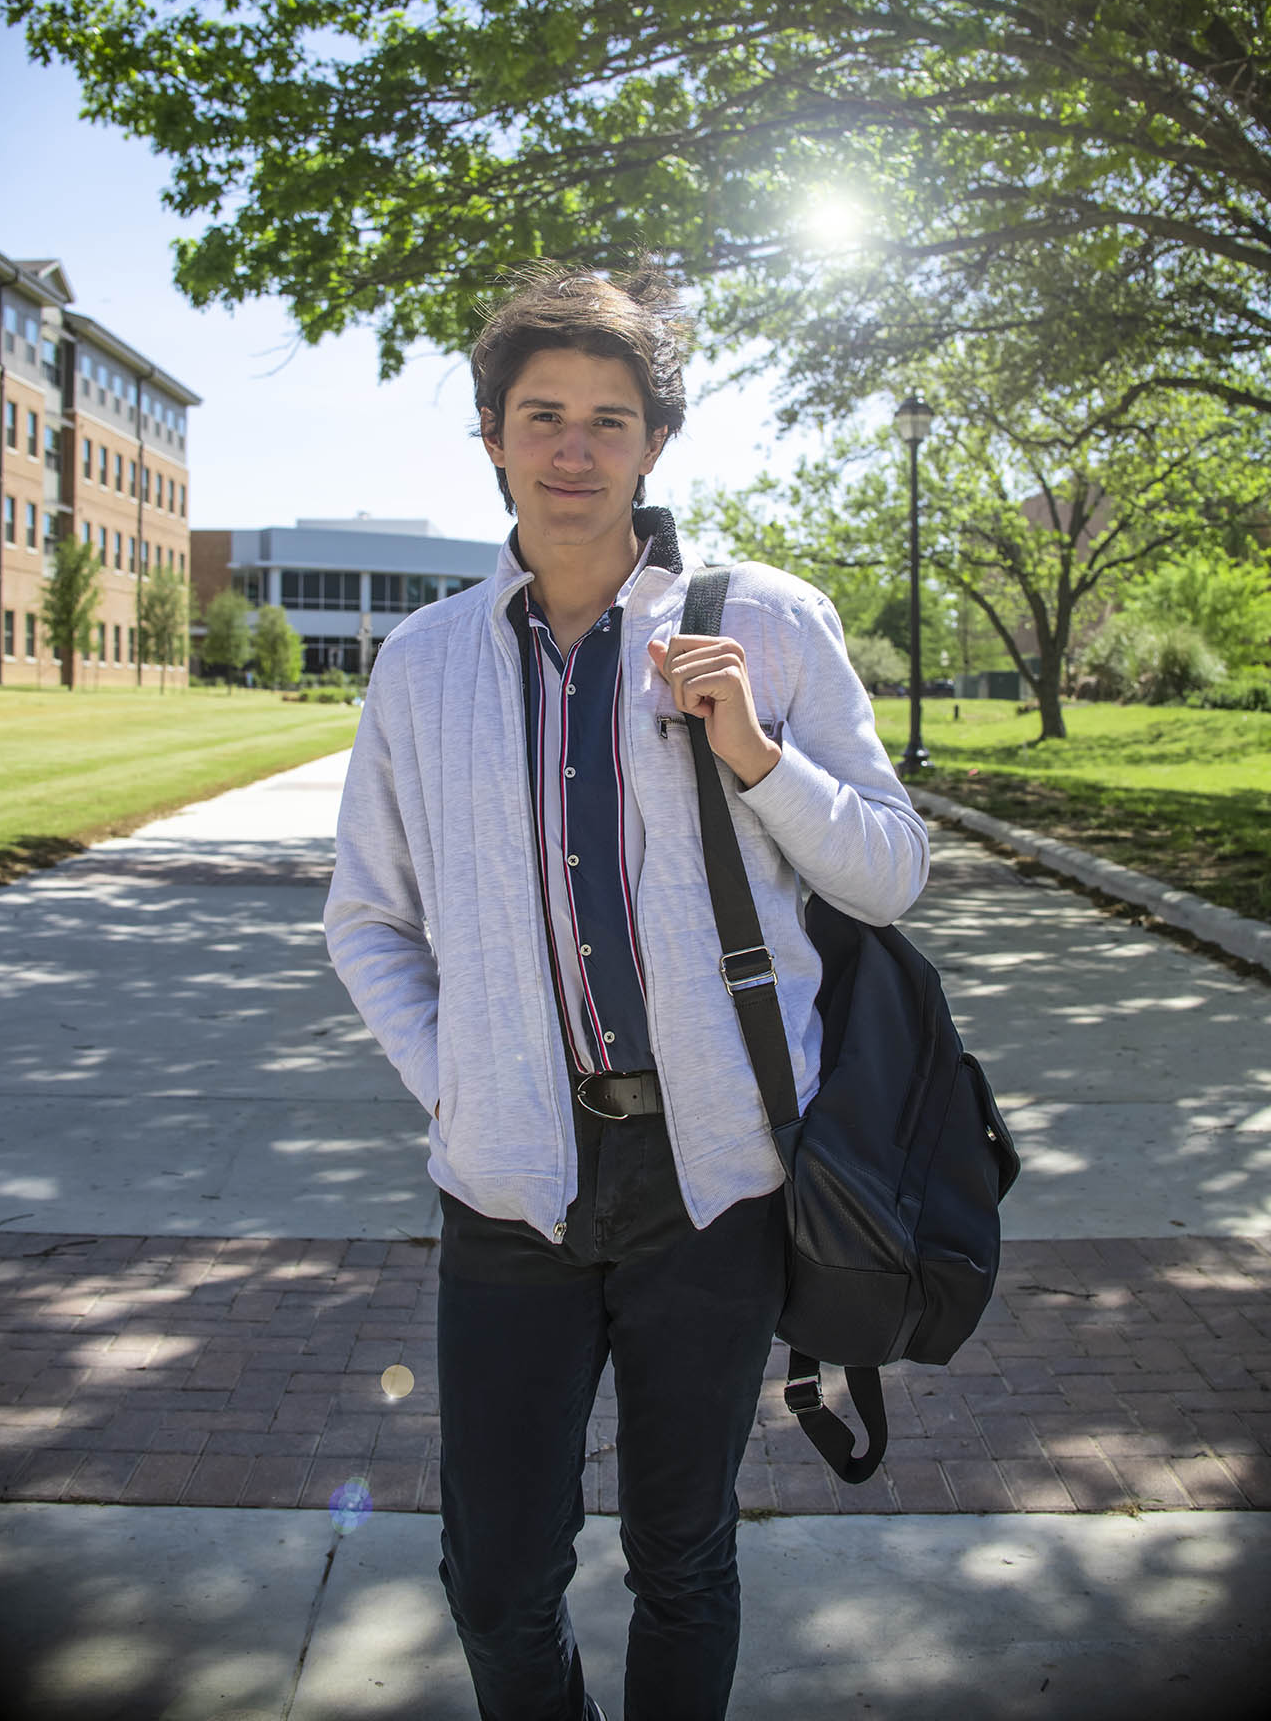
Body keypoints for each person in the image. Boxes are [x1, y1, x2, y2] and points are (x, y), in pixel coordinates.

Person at [323, 260, 929, 1721]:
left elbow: (891, 875)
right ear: (493, 438)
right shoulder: (421, 664)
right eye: (543, 417)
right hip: (509, 1183)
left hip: (710, 1179)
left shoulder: (766, 623)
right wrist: (459, 1083)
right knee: (495, 1578)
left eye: (609, 418)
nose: (575, 449)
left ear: (655, 442)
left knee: (685, 1558)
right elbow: (368, 921)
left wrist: (758, 760)